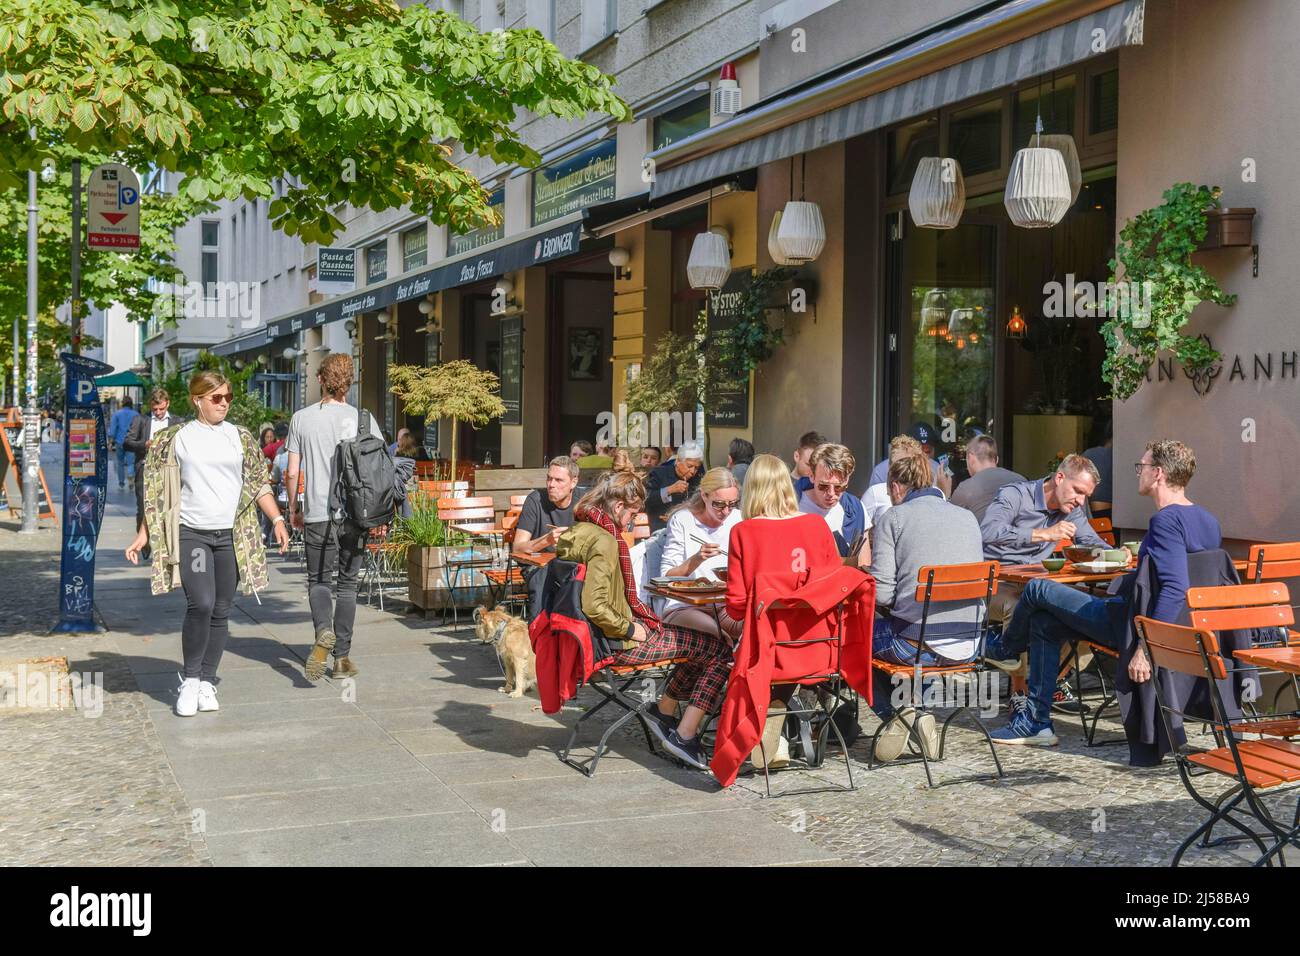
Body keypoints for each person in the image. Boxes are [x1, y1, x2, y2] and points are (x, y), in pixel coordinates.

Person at [985, 440, 1219, 746]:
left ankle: (1005, 649)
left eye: (1142, 467)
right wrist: (1119, 555)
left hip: (1128, 626)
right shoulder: (1207, 520)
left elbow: (1175, 589)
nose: (1138, 473)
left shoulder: (1165, 521)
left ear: (1158, 473)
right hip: (1172, 627)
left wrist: (1146, 649)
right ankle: (1036, 723)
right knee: (1043, 622)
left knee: (1040, 589)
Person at [124, 371, 289, 716]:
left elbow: (259, 483)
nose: (224, 403)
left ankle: (208, 681)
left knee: (221, 610)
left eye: (227, 397)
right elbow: (157, 494)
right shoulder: (176, 439)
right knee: (201, 602)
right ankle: (191, 680)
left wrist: (276, 519)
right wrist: (144, 534)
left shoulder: (240, 437)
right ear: (197, 399)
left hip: (230, 535)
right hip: (193, 533)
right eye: (216, 398)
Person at [555, 472, 732, 771]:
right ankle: (684, 735)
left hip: (591, 640)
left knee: (697, 644)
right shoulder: (604, 540)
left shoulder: (580, 529)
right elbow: (594, 605)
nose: (632, 522)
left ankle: (664, 712)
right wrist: (630, 628)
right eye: (633, 514)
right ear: (620, 506)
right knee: (718, 649)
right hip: (614, 643)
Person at [720, 454, 842, 768]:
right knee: (781, 640)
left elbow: (735, 608)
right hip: (820, 649)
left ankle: (768, 714)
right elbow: (834, 587)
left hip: (770, 652)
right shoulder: (817, 525)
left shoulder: (744, 532)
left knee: (742, 644)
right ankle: (778, 727)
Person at [867, 450, 986, 758]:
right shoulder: (967, 517)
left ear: (895, 487)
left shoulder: (893, 518)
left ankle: (901, 714)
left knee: (851, 642)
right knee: (922, 636)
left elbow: (882, 596)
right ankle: (917, 710)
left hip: (915, 645)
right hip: (968, 644)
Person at [284, 354, 384, 682]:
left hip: (316, 512)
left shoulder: (301, 418)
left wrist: (293, 509)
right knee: (348, 584)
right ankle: (342, 659)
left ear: (321, 380)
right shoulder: (363, 420)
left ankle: (322, 631)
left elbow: (293, 471)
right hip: (355, 513)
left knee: (319, 580)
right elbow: (380, 469)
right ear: (349, 381)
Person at [980, 454, 1108, 566]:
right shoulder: (1016, 494)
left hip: (1036, 581)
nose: (1080, 501)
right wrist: (1044, 534)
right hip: (999, 580)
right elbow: (989, 531)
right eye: (1078, 491)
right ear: (1059, 478)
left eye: (1085, 496)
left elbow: (1092, 541)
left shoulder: (1071, 510)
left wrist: (1120, 554)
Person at [657, 468, 742, 636]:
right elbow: (666, 576)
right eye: (718, 504)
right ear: (704, 496)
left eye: (732, 504)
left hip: (725, 604)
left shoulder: (738, 518)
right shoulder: (683, 520)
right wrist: (697, 559)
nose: (726, 511)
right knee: (718, 637)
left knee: (757, 628)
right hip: (684, 605)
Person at [122, 387, 184, 558]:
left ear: (167, 404)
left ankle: (167, 544)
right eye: (155, 409)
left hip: (170, 471)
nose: (158, 413)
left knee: (171, 507)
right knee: (143, 507)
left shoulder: (178, 422)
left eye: (161, 409)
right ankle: (145, 543)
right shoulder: (140, 420)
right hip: (145, 468)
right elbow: (127, 442)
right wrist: (144, 444)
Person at [795, 442, 868, 564]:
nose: (831, 493)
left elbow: (864, 564)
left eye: (839, 487)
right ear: (811, 476)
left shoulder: (856, 508)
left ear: (847, 479)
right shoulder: (792, 504)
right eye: (823, 486)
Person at [513, 456, 580, 558]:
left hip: (572, 564)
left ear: (573, 483)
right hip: (539, 565)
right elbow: (517, 549)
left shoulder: (583, 501)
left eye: (558, 480)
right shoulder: (535, 500)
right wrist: (546, 540)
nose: (551, 484)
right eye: (549, 478)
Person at [950, 435, 1025, 524]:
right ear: (996, 459)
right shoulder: (1022, 481)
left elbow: (951, 523)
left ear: (971, 458)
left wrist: (944, 493)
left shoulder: (966, 488)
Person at [866, 422, 952, 497]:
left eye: (928, 451)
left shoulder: (938, 469)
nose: (924, 456)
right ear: (907, 447)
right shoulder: (882, 471)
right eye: (920, 452)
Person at [860, 435, 923, 529]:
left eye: (909, 464)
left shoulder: (928, 492)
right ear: (889, 466)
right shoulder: (875, 492)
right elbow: (861, 530)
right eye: (899, 464)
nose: (904, 469)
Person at [643, 439, 704, 530]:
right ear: (678, 461)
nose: (692, 472)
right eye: (690, 466)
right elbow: (646, 499)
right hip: (660, 527)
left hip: (687, 527)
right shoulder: (659, 473)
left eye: (696, 468)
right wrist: (669, 490)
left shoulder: (697, 479)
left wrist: (677, 515)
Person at [1082, 420, 1114, 520]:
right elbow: (1100, 509)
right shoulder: (1099, 456)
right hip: (1104, 522)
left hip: (1091, 520)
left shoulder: (1091, 454)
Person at [108, 396, 139, 490]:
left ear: (122, 403)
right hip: (131, 441)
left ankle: (121, 482)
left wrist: (110, 441)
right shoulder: (136, 414)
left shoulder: (117, 414)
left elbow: (112, 430)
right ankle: (130, 476)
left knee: (120, 462)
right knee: (131, 462)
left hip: (119, 441)